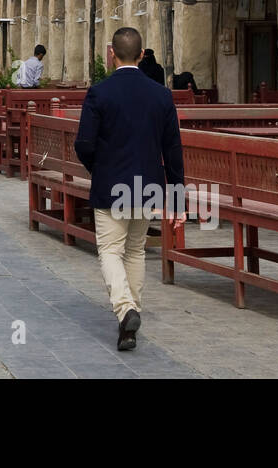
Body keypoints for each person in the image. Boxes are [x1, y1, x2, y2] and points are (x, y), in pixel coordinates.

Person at [73, 28, 185, 352]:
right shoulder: (161, 95)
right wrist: (176, 199)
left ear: (112, 54)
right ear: (141, 55)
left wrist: (99, 169)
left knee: (110, 250)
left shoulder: (99, 92)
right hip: (148, 185)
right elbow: (173, 150)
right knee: (135, 251)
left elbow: (83, 143)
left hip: (111, 184)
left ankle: (126, 310)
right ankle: (129, 324)